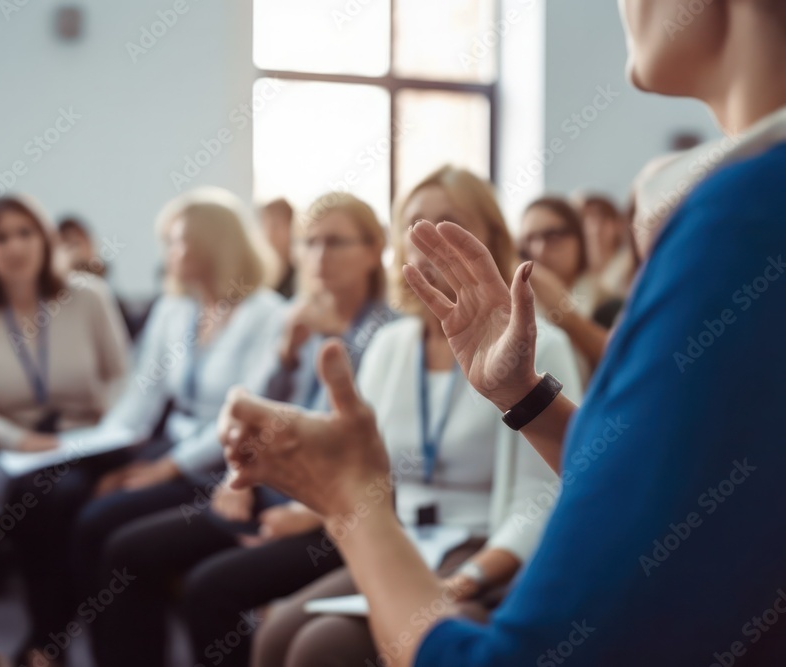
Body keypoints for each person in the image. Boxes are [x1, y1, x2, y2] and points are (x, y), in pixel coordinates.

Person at [217, 0, 786, 664]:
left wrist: (348, 499)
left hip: (473, 550)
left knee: (316, 647)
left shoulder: (743, 217)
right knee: (279, 630)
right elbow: (659, 485)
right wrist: (525, 396)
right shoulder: (739, 208)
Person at [252, 166, 582, 667]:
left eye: (449, 223)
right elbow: (359, 465)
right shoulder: (391, 344)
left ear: (491, 238)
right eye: (414, 226)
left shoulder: (539, 344)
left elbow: (542, 498)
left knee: (321, 648)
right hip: (405, 541)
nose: (429, 241)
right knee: (275, 635)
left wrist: (470, 577)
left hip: (483, 549)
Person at [83, 192, 396, 667]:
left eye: (334, 242)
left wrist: (302, 512)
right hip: (267, 490)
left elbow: (372, 453)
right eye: (308, 243)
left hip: (327, 508)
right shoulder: (300, 319)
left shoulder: (386, 334)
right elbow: (261, 413)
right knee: (126, 549)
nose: (318, 257)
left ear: (374, 251)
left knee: (208, 589)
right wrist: (239, 476)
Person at [71, 187, 287, 664]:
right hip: (175, 454)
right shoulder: (175, 309)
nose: (168, 252)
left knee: (112, 535)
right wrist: (98, 447)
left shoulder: (266, 314)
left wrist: (166, 469)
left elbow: (245, 413)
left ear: (215, 244)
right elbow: (141, 395)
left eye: (178, 241)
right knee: (88, 514)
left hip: (227, 467)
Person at [0, 195, 131, 667]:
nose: (15, 247)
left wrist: (107, 420)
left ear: (44, 239)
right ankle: (47, 648)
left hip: (87, 442)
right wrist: (20, 440)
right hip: (11, 450)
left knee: (67, 498)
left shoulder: (88, 296)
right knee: (53, 499)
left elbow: (123, 376)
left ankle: (41, 649)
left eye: (25, 233)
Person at [518, 197, 611, 380]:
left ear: (580, 239)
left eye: (553, 236)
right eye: (530, 239)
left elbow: (624, 359)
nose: (539, 249)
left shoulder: (606, 304)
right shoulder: (517, 307)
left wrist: (563, 312)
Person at [576, 194, 636, 299]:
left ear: (618, 225)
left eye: (602, 221)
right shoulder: (578, 275)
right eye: (586, 221)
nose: (595, 228)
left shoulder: (631, 262)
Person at [260, 197, 297, 299]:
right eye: (265, 226)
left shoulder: (301, 272)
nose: (269, 234)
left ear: (291, 226)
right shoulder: (261, 270)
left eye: (275, 226)